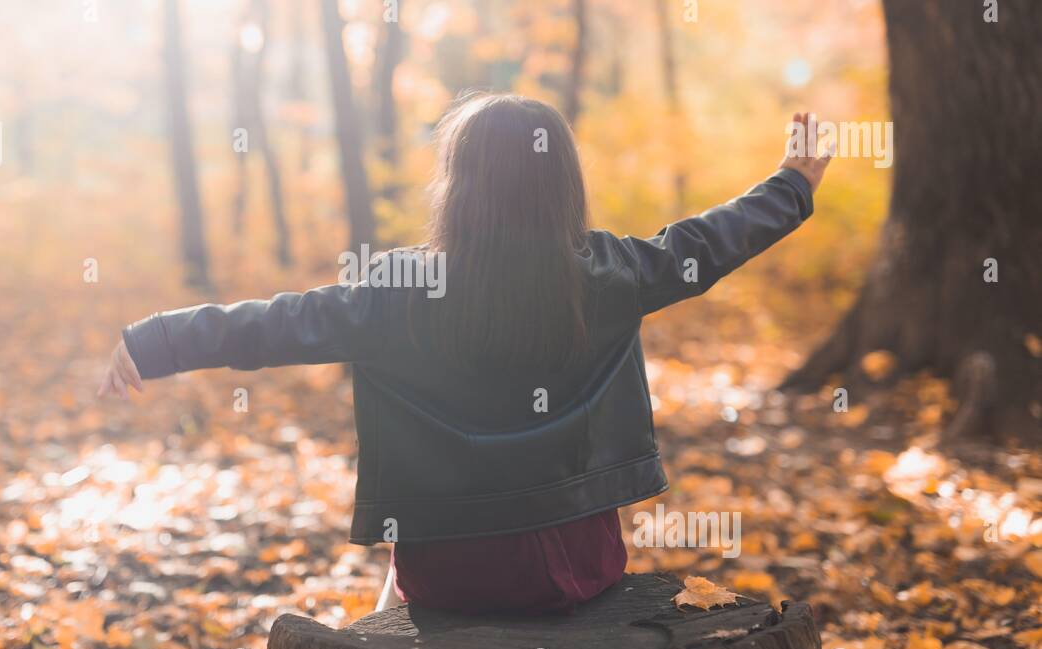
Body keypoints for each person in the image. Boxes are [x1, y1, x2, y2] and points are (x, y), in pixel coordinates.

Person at [100, 94, 832, 615]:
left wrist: (156, 340)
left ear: (456, 188)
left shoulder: (399, 289)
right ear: (562, 184)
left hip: (444, 574)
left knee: (392, 596)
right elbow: (704, 245)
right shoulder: (607, 274)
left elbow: (276, 324)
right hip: (574, 569)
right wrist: (792, 185)